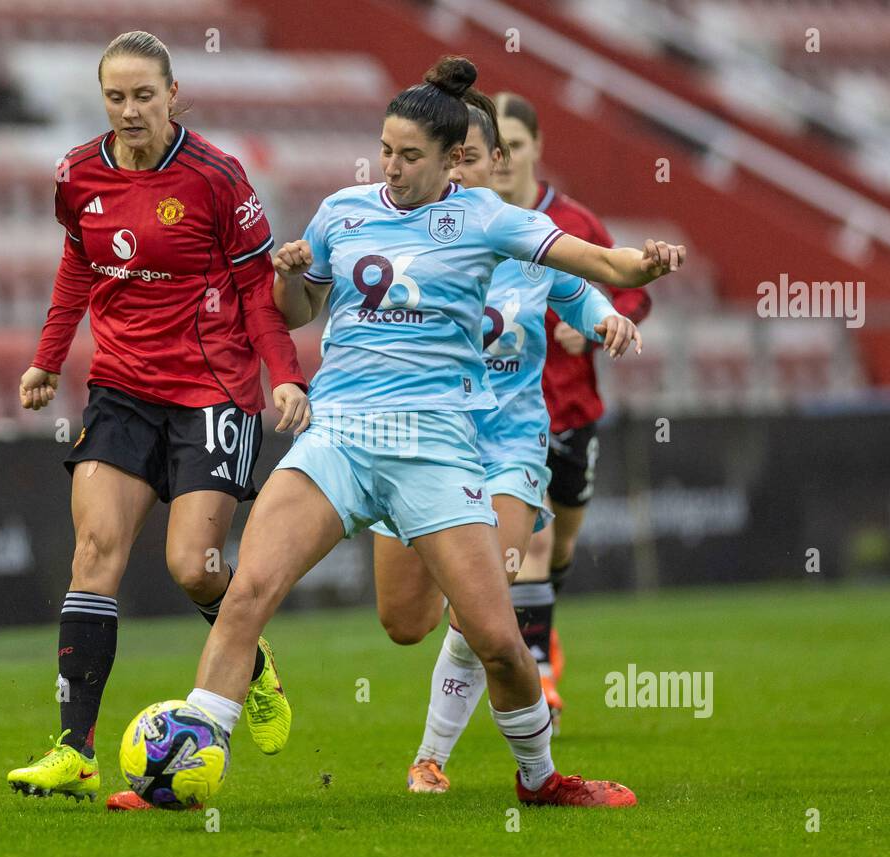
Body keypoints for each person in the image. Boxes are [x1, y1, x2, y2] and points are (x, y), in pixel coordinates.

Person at [180, 55, 684, 808]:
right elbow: (294, 313)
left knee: (497, 641)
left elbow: (592, 261)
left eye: (409, 155)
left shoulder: (486, 218)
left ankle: (541, 778)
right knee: (249, 589)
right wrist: (289, 275)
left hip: (436, 447)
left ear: (453, 161)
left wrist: (638, 269)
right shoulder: (342, 211)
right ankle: (188, 765)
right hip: (340, 435)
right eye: (386, 149)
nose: (392, 166)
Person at [4, 31, 310, 807]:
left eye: (146, 95)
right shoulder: (77, 173)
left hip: (214, 389)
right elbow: (78, 262)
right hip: (120, 388)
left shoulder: (217, 177)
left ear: (175, 96)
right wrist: (48, 357)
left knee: (191, 567)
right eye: (117, 97)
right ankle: (74, 751)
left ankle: (251, 659)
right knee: (95, 552)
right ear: (102, 100)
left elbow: (255, 291)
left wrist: (286, 378)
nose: (131, 110)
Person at [361, 92, 641, 793]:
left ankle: (439, 760)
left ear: (492, 160)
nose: (464, 170)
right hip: (426, 445)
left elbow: (585, 293)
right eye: (455, 159)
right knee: (403, 622)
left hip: (511, 451)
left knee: (478, 605)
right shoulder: (416, 238)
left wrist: (610, 321)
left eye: (477, 157)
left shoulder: (534, 240)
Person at [492, 91, 654, 733]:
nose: (505, 160)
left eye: (517, 146)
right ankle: (540, 679)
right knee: (524, 550)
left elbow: (629, 295)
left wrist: (594, 327)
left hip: (573, 409)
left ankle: (540, 629)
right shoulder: (470, 223)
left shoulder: (576, 223)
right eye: (495, 147)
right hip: (502, 423)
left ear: (538, 148)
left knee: (558, 551)